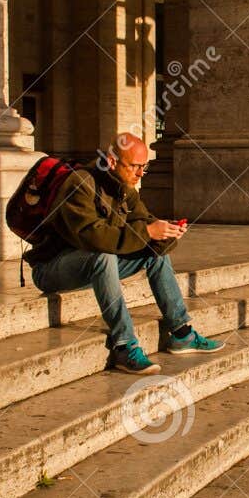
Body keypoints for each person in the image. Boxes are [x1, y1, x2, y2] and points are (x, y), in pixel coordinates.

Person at [26, 133, 223, 375]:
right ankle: (123, 345)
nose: (141, 173)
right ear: (111, 162)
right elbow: (93, 237)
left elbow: (144, 223)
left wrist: (165, 233)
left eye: (144, 166)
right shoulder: (79, 185)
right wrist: (147, 232)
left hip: (92, 266)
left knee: (155, 255)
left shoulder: (125, 190)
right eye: (135, 166)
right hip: (52, 269)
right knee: (103, 256)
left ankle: (182, 333)